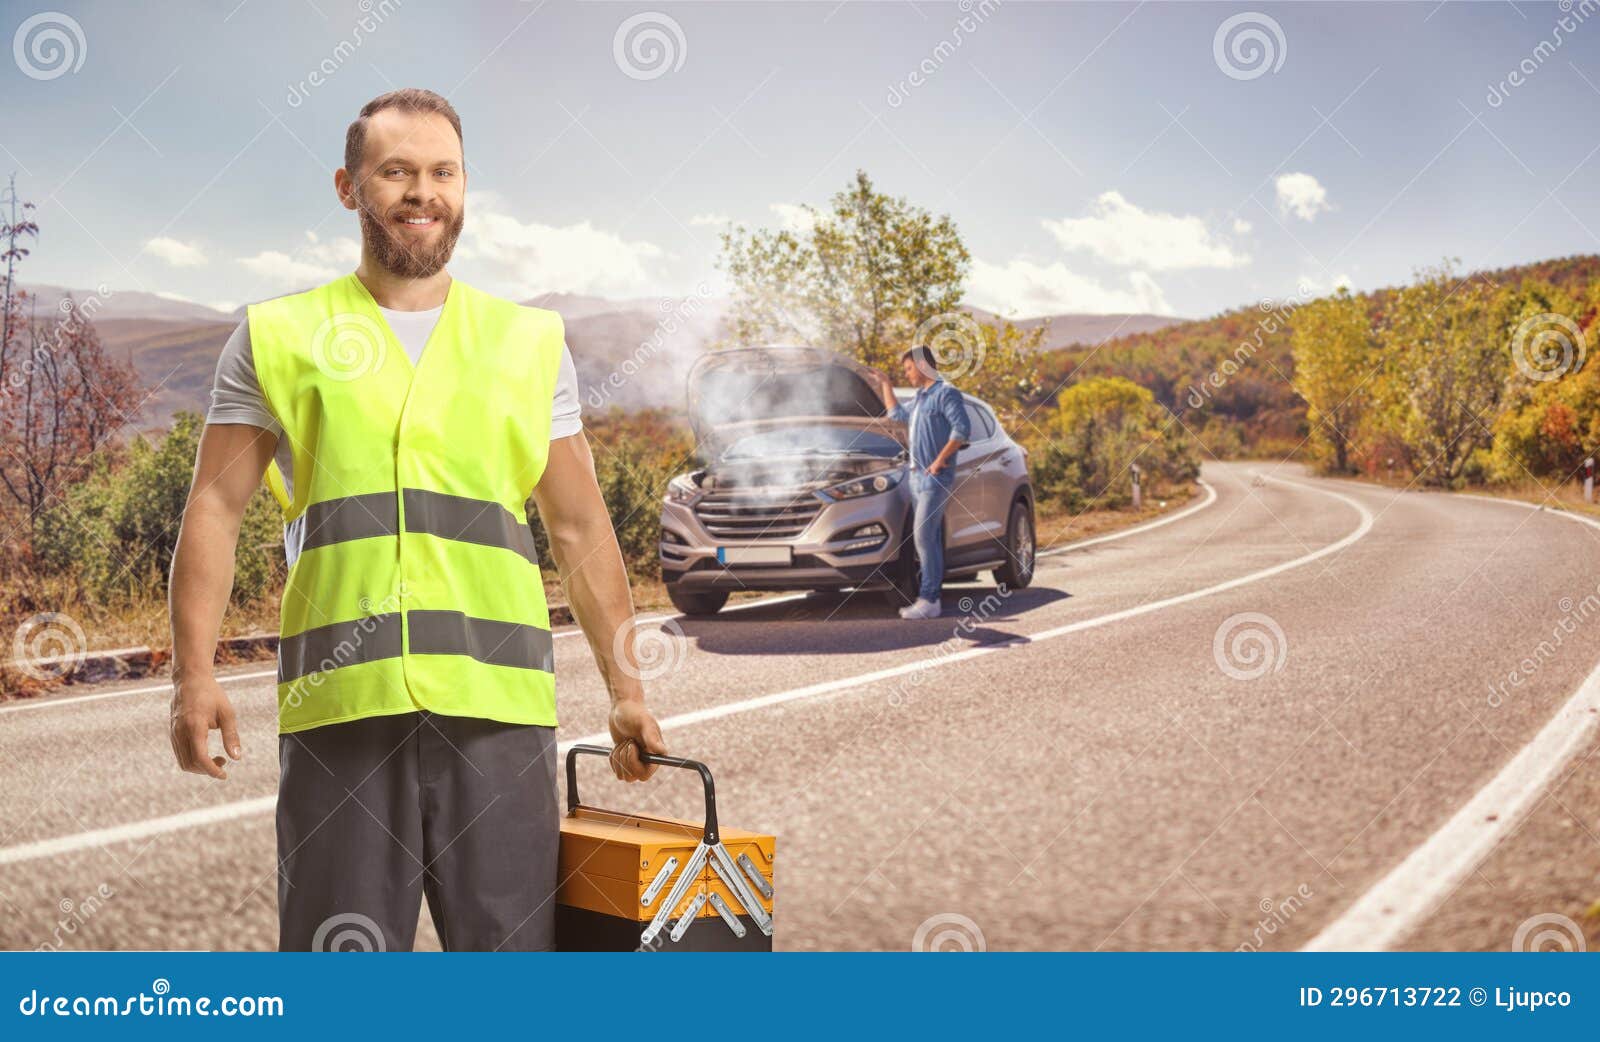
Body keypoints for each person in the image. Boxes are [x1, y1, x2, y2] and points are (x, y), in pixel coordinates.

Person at [166, 88, 667, 952]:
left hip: (498, 711)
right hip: (342, 713)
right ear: (348, 186)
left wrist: (626, 691)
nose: (421, 192)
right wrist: (191, 676)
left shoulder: (529, 342)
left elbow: (581, 529)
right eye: (395, 171)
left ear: (466, 188)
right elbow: (215, 505)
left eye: (442, 172)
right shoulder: (278, 335)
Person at [874, 345, 969, 620]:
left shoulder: (945, 393)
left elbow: (961, 429)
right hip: (915, 478)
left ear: (923, 366)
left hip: (934, 477)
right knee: (930, 539)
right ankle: (932, 598)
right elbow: (897, 417)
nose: (907, 374)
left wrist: (940, 461)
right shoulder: (919, 399)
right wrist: (885, 384)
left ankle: (929, 599)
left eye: (908, 369)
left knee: (924, 538)